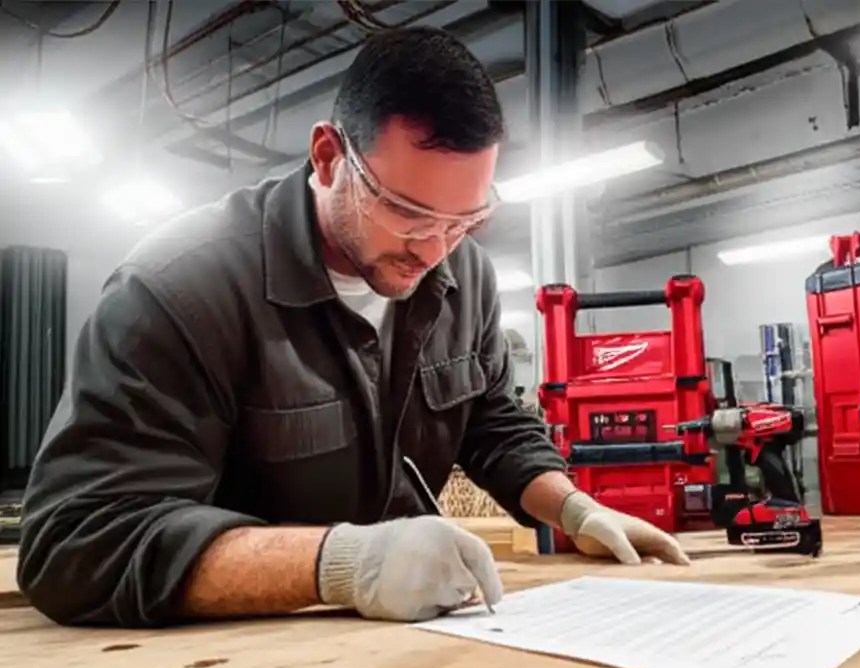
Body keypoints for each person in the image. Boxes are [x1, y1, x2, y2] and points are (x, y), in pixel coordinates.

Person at [18, 27, 689, 629]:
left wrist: (574, 509)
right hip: (220, 657)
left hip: (393, 640)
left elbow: (490, 422)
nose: (433, 251)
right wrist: (342, 563)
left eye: (464, 221)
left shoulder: (465, 276)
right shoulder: (179, 289)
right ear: (328, 156)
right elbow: (78, 542)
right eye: (407, 212)